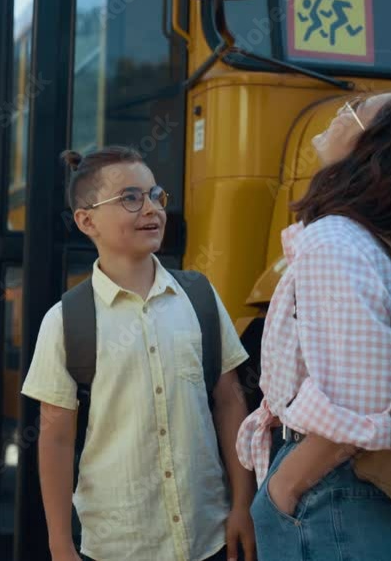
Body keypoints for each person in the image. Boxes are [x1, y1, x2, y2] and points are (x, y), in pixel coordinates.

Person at [235, 88, 391, 561]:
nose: (339, 113)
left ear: (377, 147)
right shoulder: (387, 241)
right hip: (371, 491)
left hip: (329, 495)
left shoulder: (335, 240)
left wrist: (283, 489)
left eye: (354, 110)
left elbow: (360, 406)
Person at [22, 147, 256, 561]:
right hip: (119, 546)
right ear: (86, 220)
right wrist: (60, 543)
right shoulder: (65, 321)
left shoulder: (199, 297)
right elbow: (56, 438)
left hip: (210, 539)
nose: (151, 208)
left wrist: (242, 504)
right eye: (131, 198)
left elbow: (229, 401)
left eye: (155, 195)